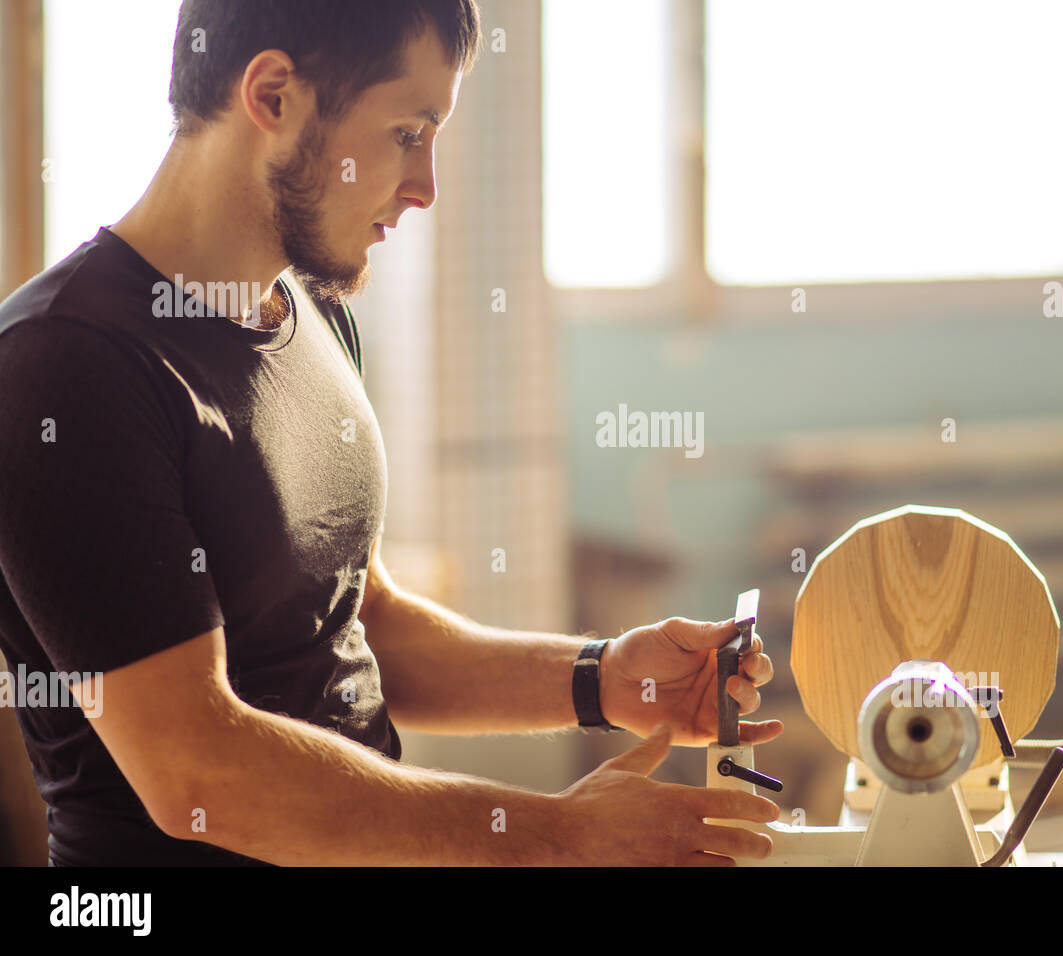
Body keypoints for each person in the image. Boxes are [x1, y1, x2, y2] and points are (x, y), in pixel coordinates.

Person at [0, 0, 781, 866]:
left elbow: (362, 627)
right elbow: (199, 775)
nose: (426, 187)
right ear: (273, 97)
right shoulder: (63, 368)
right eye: (408, 131)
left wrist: (605, 676)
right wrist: (558, 835)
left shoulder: (313, 314)